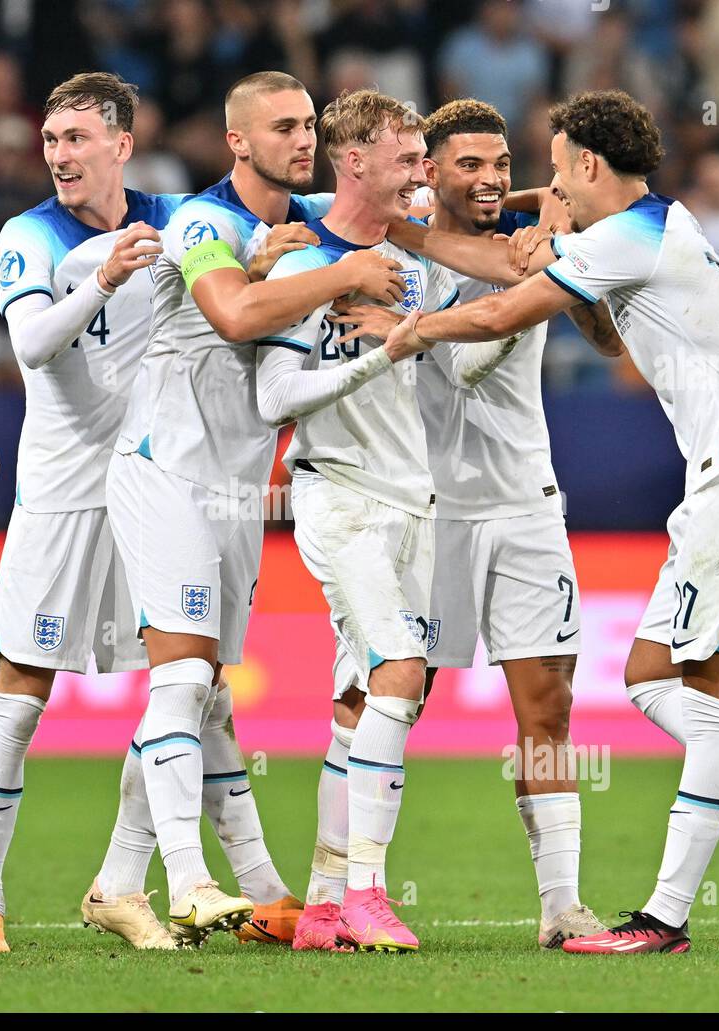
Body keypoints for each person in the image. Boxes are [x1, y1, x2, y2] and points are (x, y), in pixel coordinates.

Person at [383, 90, 719, 954]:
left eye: (553, 168)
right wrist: (522, 226)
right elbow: (581, 301)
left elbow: (504, 309)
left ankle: (664, 916)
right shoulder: (652, 227)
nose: (546, 186)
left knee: (668, 688)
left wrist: (408, 328)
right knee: (685, 687)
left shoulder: (623, 239)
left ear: (588, 163)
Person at [105, 70, 408, 945]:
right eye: (282, 127)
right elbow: (234, 314)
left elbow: (392, 194)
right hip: (164, 469)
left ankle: (120, 881)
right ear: (237, 140)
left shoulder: (303, 223)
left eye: (309, 124)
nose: (301, 139)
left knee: (202, 695)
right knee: (184, 679)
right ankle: (192, 882)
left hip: (237, 489)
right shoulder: (202, 223)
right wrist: (338, 273)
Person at [337, 97, 615, 949]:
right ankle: (340, 891)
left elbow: (603, 337)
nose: (490, 180)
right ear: (429, 170)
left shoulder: (531, 253)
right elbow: (455, 366)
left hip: (526, 506)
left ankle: (561, 905)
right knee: (379, 696)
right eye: (468, 165)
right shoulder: (403, 246)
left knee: (548, 705)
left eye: (501, 165)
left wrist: (553, 249)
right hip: (428, 512)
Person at [253, 89, 463, 953]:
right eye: (409, 160)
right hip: (338, 494)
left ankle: (325, 903)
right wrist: (385, 351)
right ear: (355, 163)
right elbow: (274, 399)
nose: (424, 174)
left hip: (414, 498)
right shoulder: (298, 265)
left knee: (364, 703)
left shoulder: (412, 261)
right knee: (401, 670)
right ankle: (373, 894)